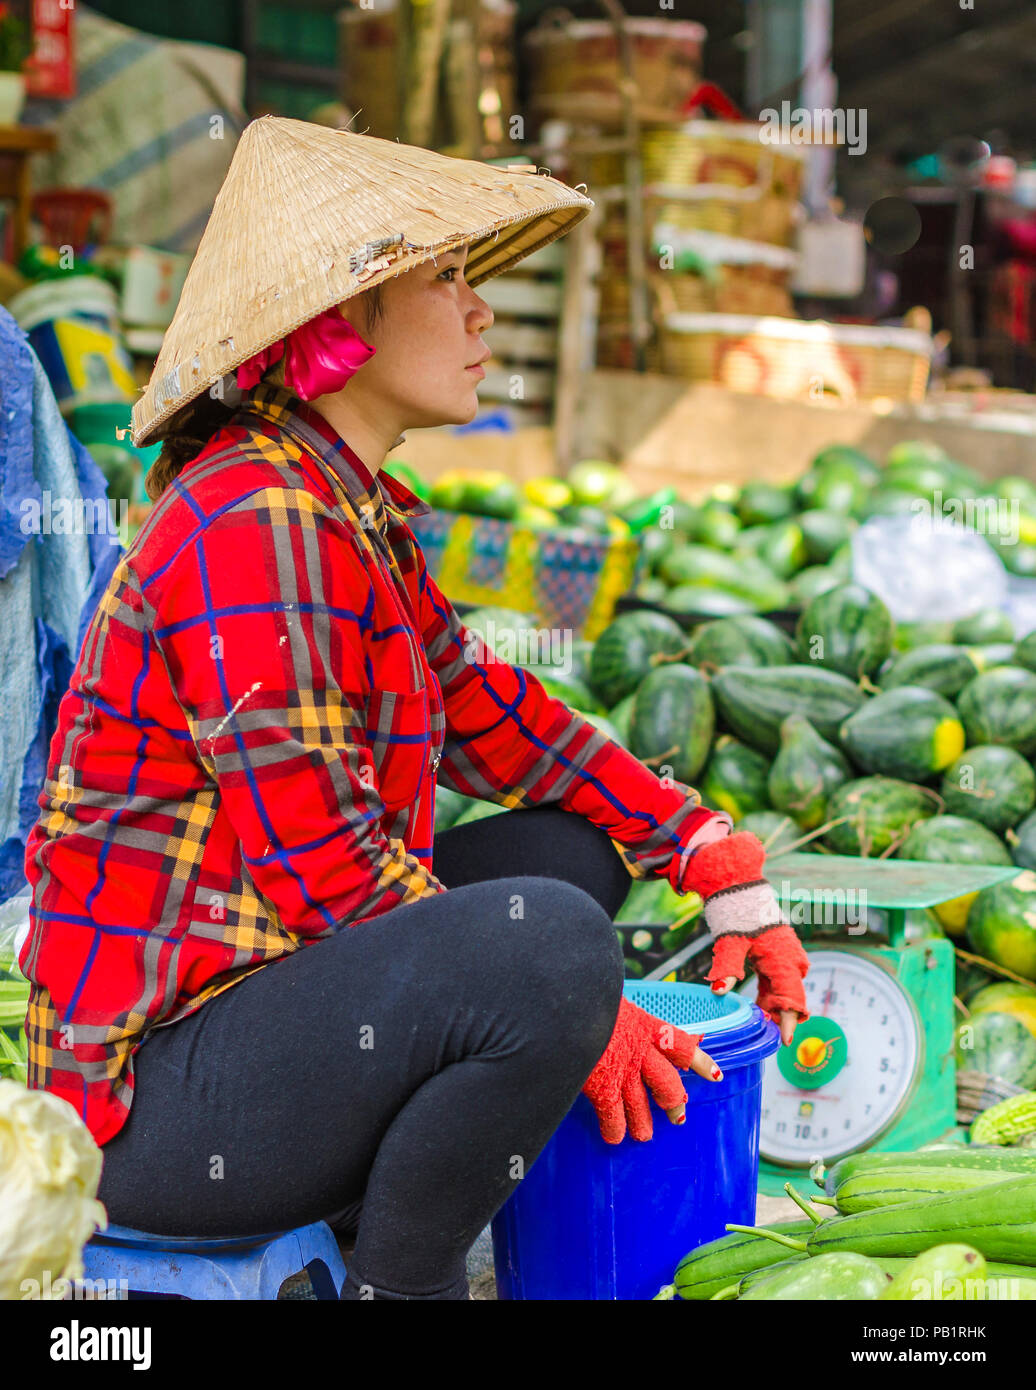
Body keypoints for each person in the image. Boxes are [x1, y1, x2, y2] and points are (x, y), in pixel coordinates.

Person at [20, 117, 810, 1302]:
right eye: (445, 279)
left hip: (258, 1011)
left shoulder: (343, 505)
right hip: (156, 1114)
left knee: (562, 858)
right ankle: (405, 1280)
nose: (480, 310)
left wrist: (709, 852)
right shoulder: (256, 522)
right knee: (546, 943)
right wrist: (572, 1000)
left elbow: (498, 716)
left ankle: (368, 1205)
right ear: (339, 324)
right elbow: (327, 868)